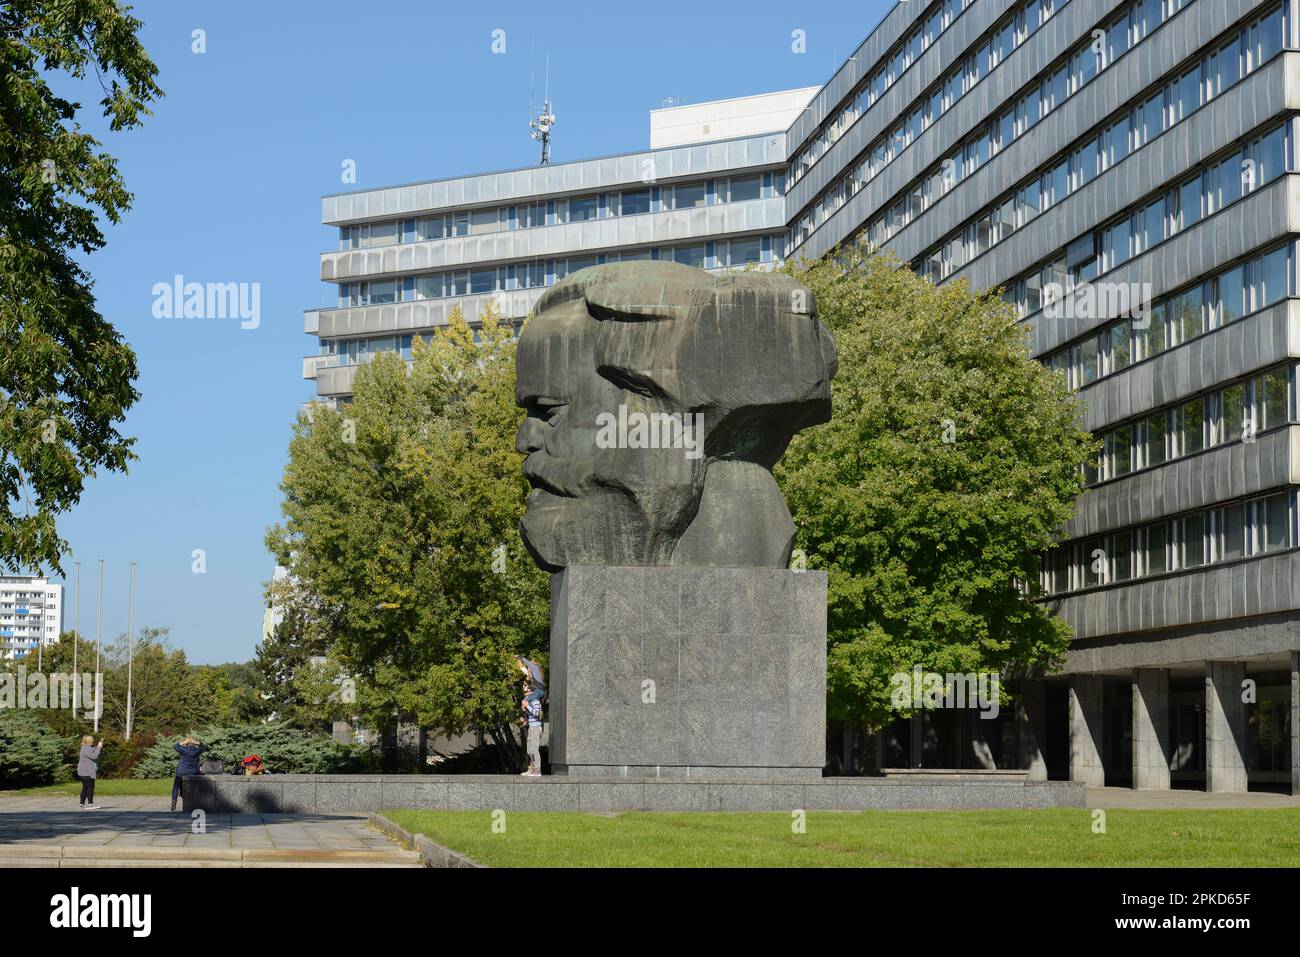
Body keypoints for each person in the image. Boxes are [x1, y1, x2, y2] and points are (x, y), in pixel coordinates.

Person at [171, 736, 209, 812]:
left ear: (187, 744)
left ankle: (173, 804)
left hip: (181, 773)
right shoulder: (197, 750)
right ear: (194, 744)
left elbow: (175, 746)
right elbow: (204, 747)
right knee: (189, 789)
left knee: (176, 787)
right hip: (192, 774)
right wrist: (198, 743)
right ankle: (189, 803)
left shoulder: (183, 750)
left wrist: (183, 742)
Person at [76, 735, 104, 809]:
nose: (93, 742)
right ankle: (90, 804)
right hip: (87, 772)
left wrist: (99, 745)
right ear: (88, 741)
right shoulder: (86, 748)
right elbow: (94, 756)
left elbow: (93, 751)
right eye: (92, 741)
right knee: (90, 787)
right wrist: (99, 747)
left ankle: (82, 803)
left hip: (82, 772)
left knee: (85, 787)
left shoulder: (85, 748)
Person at [520, 694, 543, 777]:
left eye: (526, 691)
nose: (525, 693)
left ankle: (537, 770)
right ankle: (532, 769)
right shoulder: (530, 702)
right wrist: (526, 720)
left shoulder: (536, 701)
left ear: (532, 692)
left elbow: (537, 713)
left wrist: (527, 706)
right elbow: (533, 716)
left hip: (536, 729)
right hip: (531, 728)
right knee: (529, 751)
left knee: (534, 750)